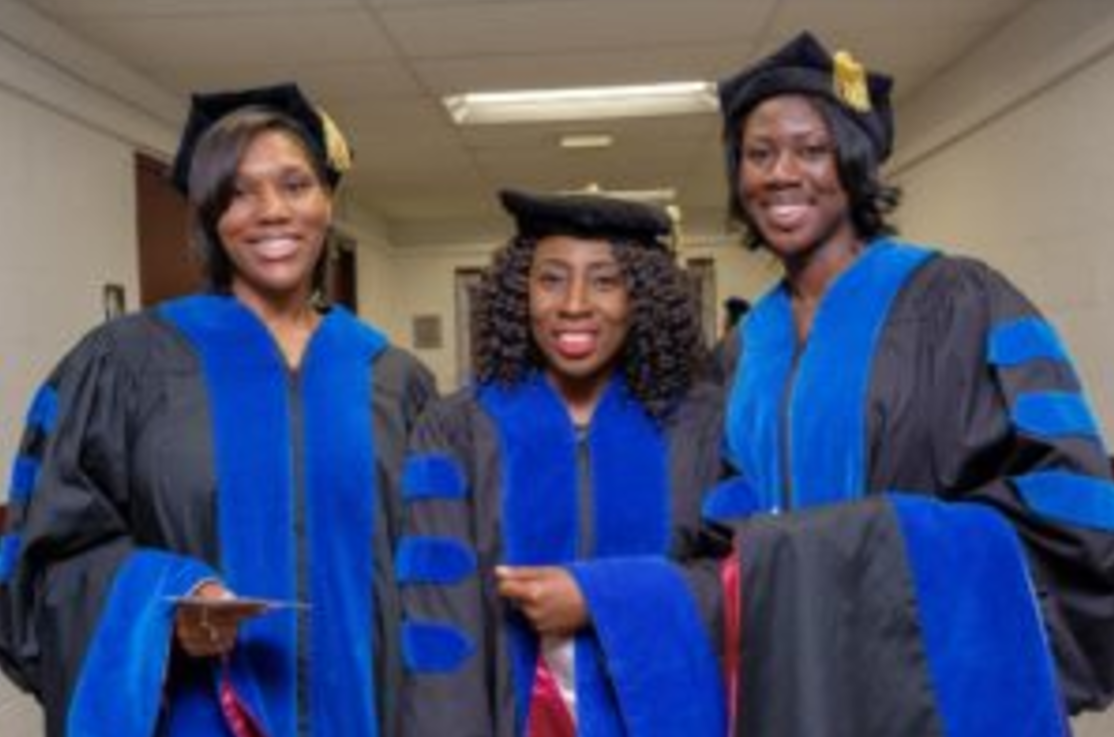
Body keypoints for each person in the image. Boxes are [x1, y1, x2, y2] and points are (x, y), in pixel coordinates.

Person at [706, 31, 1114, 735]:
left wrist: (881, 545)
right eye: (758, 152)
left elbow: (1065, 488)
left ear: (854, 162)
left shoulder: (959, 298)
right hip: (791, 674)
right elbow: (718, 519)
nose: (781, 173)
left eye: (812, 149)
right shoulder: (742, 348)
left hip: (932, 672)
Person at [0, 83, 435, 736]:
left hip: (368, 714)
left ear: (328, 199)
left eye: (295, 184)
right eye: (237, 191)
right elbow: (51, 558)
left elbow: (440, 576)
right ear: (209, 215)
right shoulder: (125, 364)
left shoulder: (395, 378)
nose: (270, 212)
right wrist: (166, 601)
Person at [397, 189, 728, 737]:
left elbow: (738, 586)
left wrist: (601, 598)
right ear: (518, 291)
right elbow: (438, 627)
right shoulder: (456, 429)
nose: (574, 304)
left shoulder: (701, 424)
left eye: (605, 280)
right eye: (550, 278)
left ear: (640, 296)